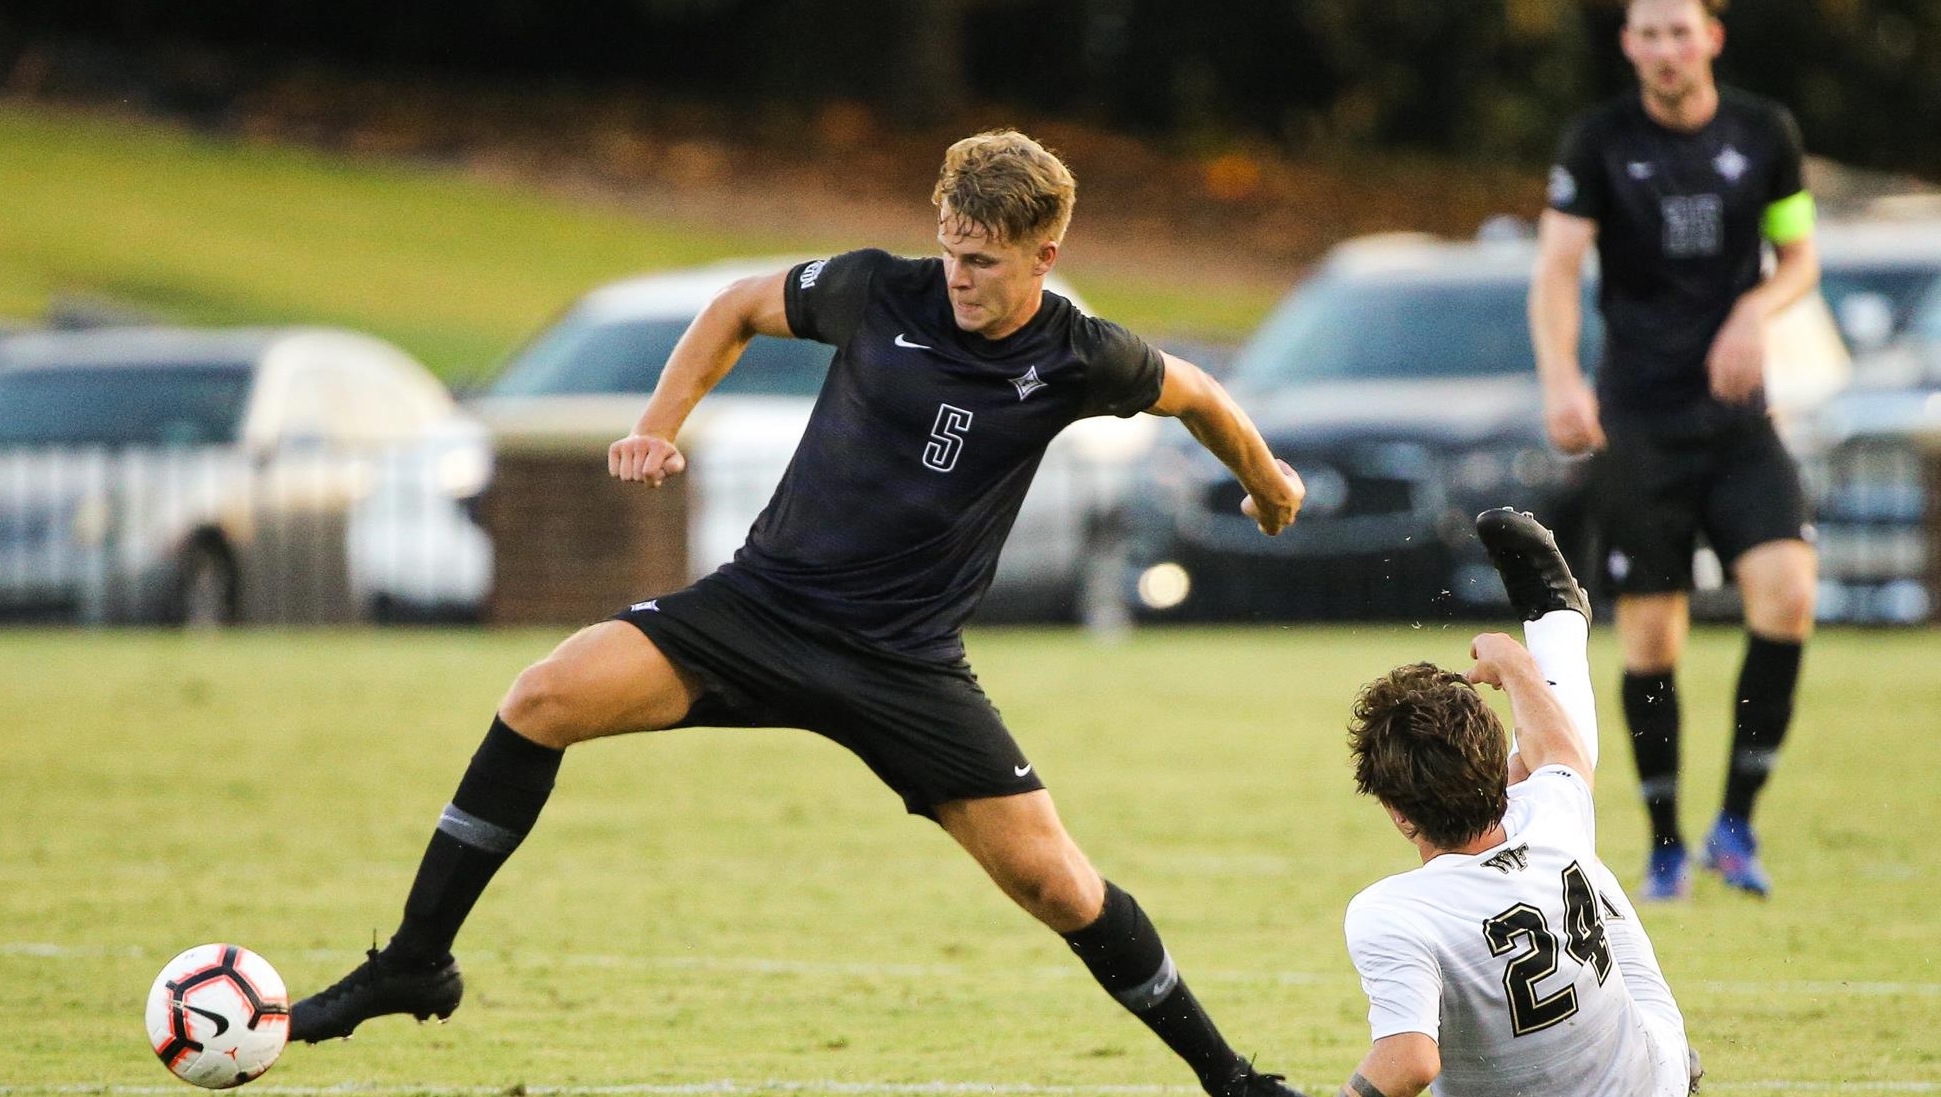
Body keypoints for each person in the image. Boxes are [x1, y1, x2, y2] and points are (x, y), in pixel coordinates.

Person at [289, 130, 1314, 1097]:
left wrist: (1267, 485)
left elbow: (1198, 396)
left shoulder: (1082, 354)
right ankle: (416, 962)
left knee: (1056, 886)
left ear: (1043, 255)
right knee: (541, 695)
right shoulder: (879, 288)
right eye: (951, 250)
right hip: (760, 607)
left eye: (984, 262)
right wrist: (656, 425)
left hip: (903, 663)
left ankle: (1230, 1078)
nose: (958, 276)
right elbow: (734, 305)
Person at [1528, 0, 1821, 899]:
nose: (1665, 49)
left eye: (1679, 31)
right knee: (1654, 634)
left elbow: (1800, 256)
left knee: (1790, 591)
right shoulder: (1597, 142)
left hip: (1738, 421)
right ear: (1629, 46)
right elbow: (1558, 270)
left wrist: (1754, 307)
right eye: (1647, 34)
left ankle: (1736, 824)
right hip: (1640, 423)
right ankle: (1663, 842)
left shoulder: (1766, 132)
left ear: (1712, 37)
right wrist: (1562, 380)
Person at [1335, 509, 1697, 1097]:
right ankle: (1559, 620)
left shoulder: (1392, 912)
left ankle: (1558, 617)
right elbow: (1560, 752)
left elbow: (1411, 1061)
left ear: (1399, 815)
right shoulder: (1548, 818)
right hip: (1656, 1078)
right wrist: (1519, 665)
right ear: (1497, 781)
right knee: (1575, 828)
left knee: (1565, 799)